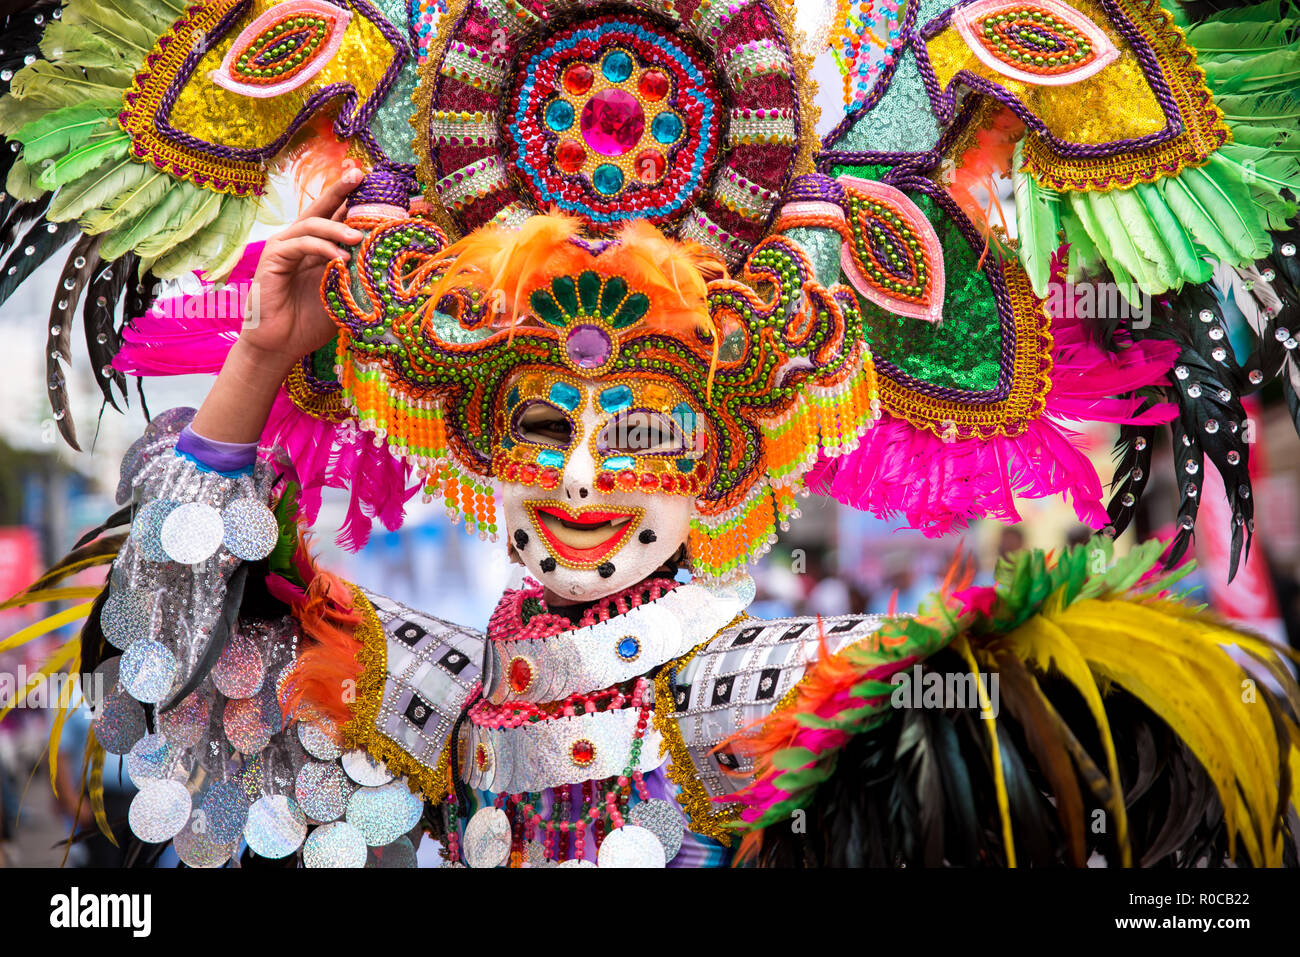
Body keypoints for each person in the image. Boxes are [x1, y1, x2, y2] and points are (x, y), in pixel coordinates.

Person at [1, 0, 1298, 868]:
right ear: (482, 441)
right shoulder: (410, 693)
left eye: (641, 437)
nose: (578, 477)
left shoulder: (829, 699)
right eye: (543, 422)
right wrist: (258, 360)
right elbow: (154, 671)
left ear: (723, 461)